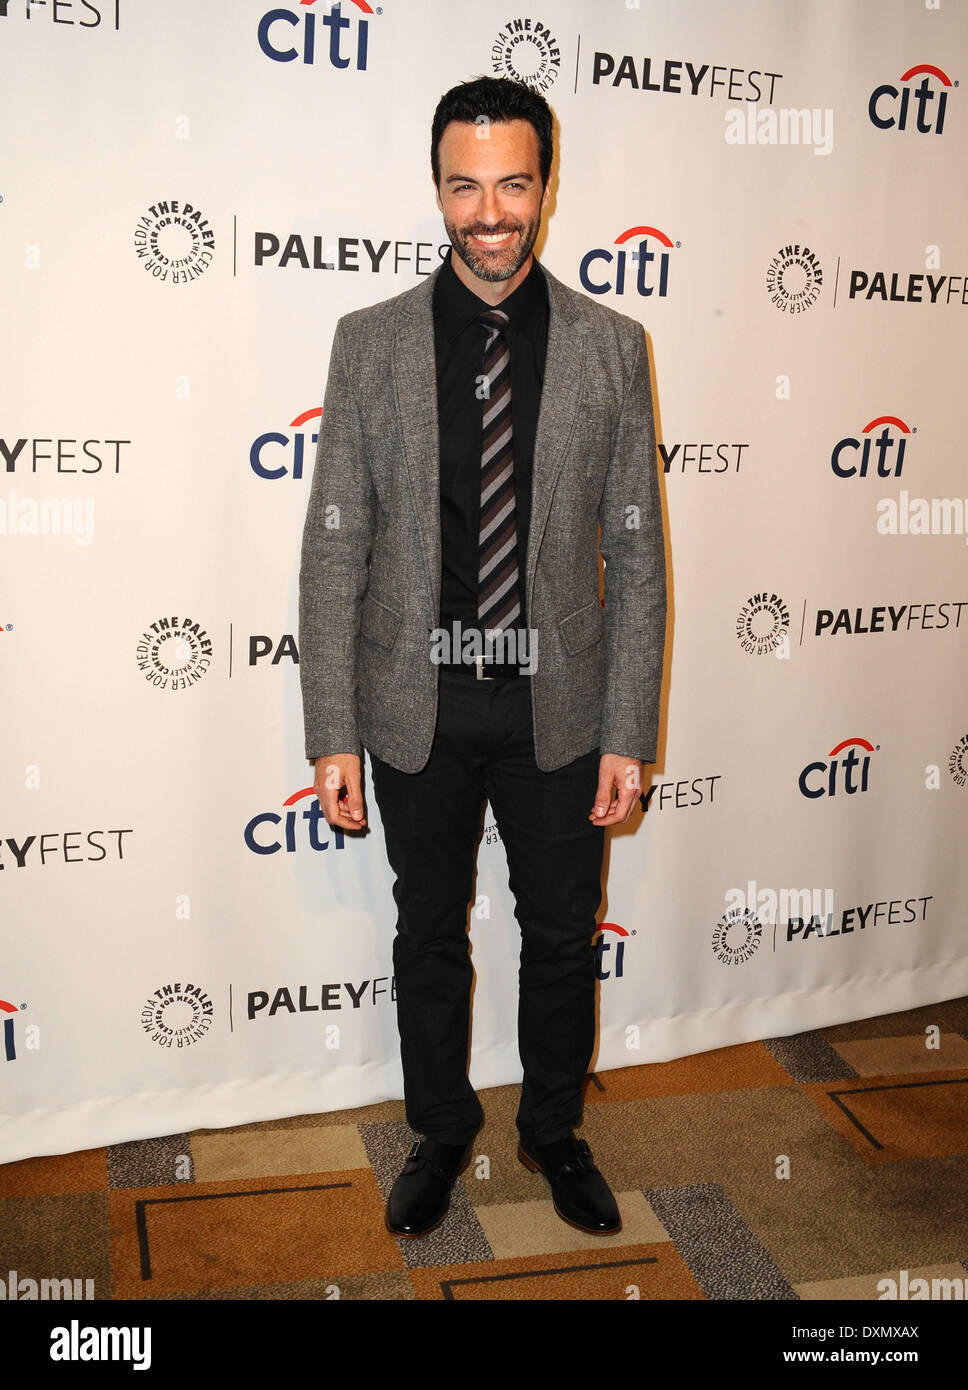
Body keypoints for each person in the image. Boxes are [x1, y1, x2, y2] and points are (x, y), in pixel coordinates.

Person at [298, 76, 666, 1239]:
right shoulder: (370, 345)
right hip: (420, 698)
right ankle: (440, 1127)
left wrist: (627, 731)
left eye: (512, 183)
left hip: (557, 702)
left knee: (561, 933)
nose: (489, 211)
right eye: (466, 185)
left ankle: (551, 1129)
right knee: (426, 928)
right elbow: (332, 547)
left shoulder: (614, 347)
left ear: (546, 189)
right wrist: (331, 728)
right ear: (438, 191)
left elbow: (637, 555)